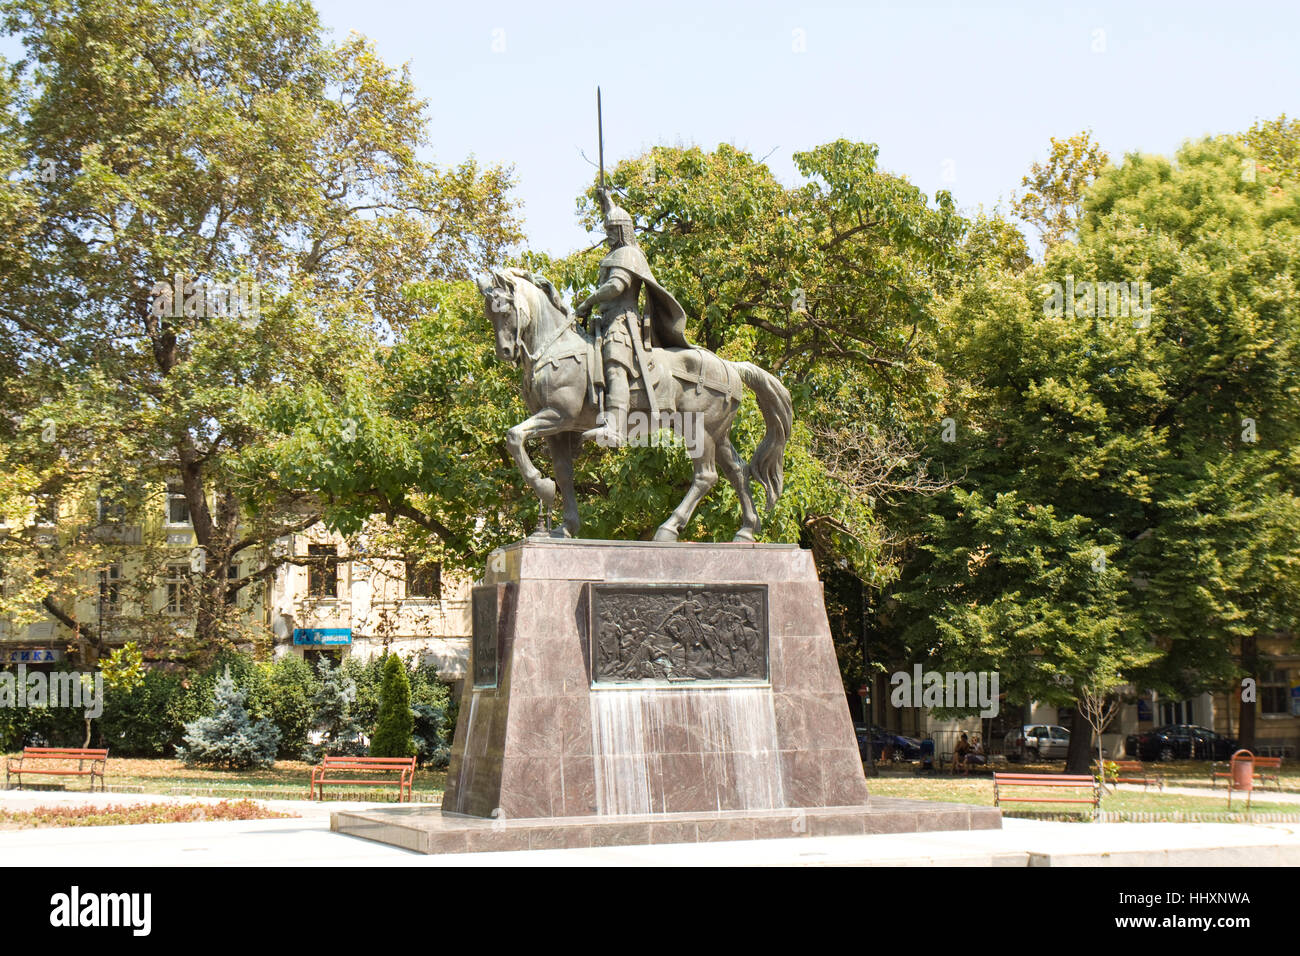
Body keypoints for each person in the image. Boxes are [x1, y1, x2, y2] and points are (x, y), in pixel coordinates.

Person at [575, 189, 691, 447]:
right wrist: (607, 203)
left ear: (623, 232)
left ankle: (614, 428)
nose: (607, 235)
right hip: (604, 322)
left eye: (612, 231)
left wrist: (588, 301)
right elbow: (617, 219)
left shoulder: (628, 255)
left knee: (615, 369)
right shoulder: (618, 252)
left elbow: (616, 286)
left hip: (621, 324)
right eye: (607, 230)